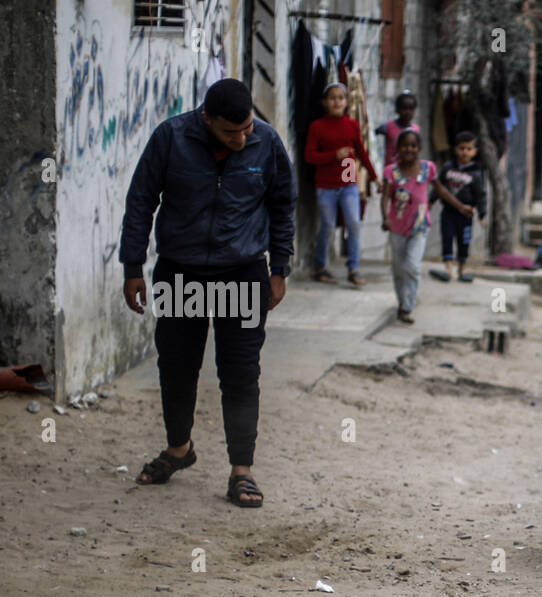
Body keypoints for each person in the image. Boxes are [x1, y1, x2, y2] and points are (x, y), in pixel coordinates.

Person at [121, 78, 296, 508]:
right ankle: (179, 449)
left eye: (246, 129)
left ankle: (242, 471)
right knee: (177, 366)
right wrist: (132, 266)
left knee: (239, 372)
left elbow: (282, 204)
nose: (240, 139)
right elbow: (141, 199)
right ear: (207, 119)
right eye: (229, 132)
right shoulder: (171, 137)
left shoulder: (267, 143)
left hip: (243, 273)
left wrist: (281, 268)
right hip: (182, 272)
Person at [305, 82, 377, 286]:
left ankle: (353, 269)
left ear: (347, 102)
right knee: (327, 226)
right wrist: (333, 155)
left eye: (341, 98)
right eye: (333, 98)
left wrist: (375, 177)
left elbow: (362, 153)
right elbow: (310, 156)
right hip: (326, 185)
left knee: (353, 223)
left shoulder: (352, 125)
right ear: (325, 102)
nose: (337, 101)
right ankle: (320, 267)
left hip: (348, 182)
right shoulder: (317, 127)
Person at [380, 129, 445, 324]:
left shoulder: (428, 168)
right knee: (398, 269)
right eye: (405, 145)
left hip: (419, 226)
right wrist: (385, 217)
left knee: (412, 266)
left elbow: (440, 190)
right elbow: (385, 197)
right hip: (397, 227)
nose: (409, 149)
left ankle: (408, 306)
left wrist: (460, 206)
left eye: (413, 146)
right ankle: (402, 304)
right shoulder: (390, 171)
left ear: (419, 148)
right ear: (398, 148)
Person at [430, 131, 485, 282]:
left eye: (468, 149)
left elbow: (481, 194)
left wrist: (482, 213)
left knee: (463, 240)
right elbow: (438, 187)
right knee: (447, 237)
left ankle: (463, 267)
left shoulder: (476, 173)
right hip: (448, 212)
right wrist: (430, 202)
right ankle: (448, 267)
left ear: (474, 151)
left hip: (466, 214)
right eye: (461, 148)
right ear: (455, 149)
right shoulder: (448, 168)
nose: (464, 152)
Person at [377, 90, 420, 170]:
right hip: (391, 171)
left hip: (408, 171)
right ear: (397, 109)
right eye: (404, 108)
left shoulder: (416, 129)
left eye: (411, 109)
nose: (408, 112)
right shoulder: (387, 126)